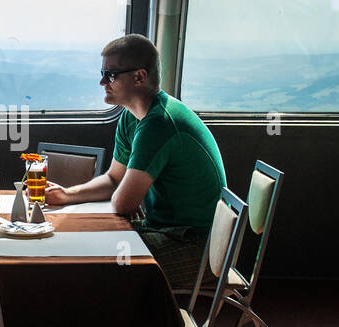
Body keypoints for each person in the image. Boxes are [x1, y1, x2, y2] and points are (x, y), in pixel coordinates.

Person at [45, 34, 225, 290]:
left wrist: (123, 199)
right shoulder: (132, 117)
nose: (101, 82)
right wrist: (67, 195)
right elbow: (113, 179)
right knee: (82, 247)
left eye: (110, 75)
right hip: (166, 230)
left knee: (93, 262)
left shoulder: (159, 124)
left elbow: (122, 202)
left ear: (139, 76)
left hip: (196, 246)